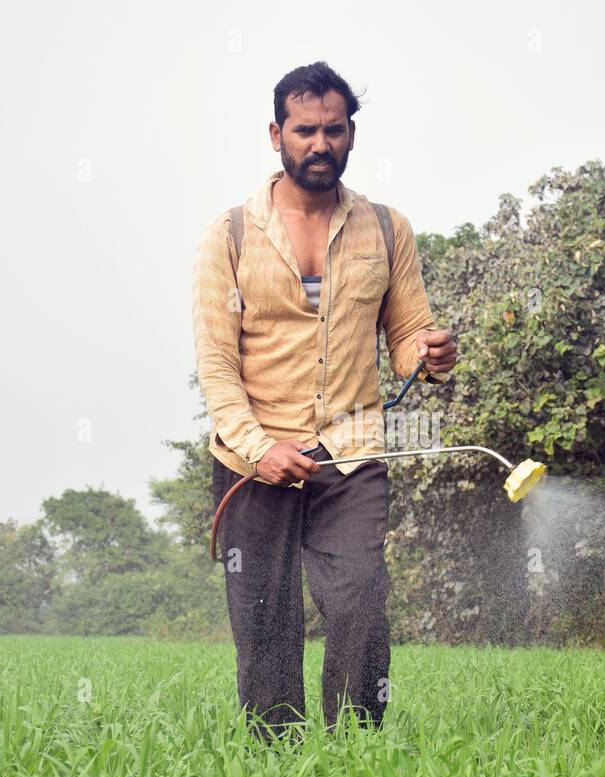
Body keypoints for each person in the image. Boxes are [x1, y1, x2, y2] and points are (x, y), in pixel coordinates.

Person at [191, 61, 458, 738]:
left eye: (332, 130)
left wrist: (426, 355)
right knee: (266, 624)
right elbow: (218, 367)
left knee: (361, 600)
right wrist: (259, 448)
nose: (319, 144)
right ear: (276, 134)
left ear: (351, 136)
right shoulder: (229, 236)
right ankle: (277, 767)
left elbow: (404, 335)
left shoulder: (387, 228)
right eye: (304, 130)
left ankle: (356, 753)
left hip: (351, 447)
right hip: (253, 458)